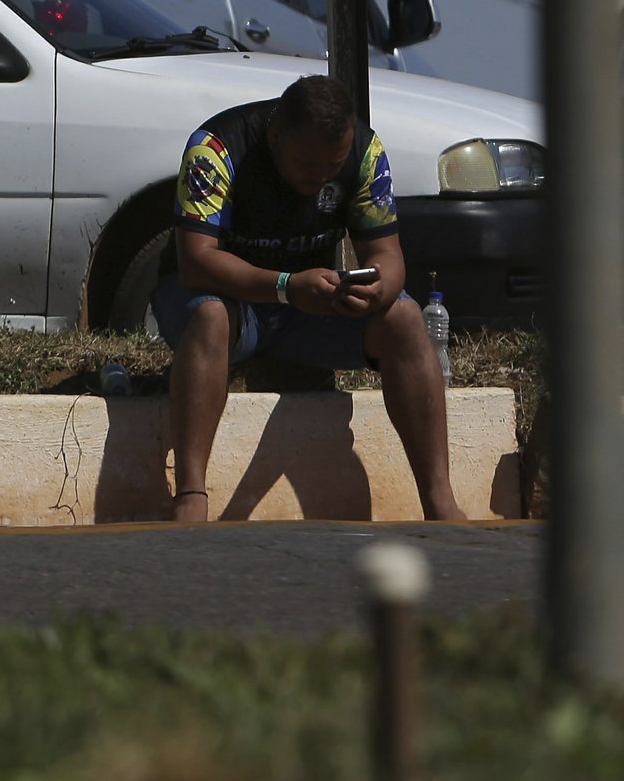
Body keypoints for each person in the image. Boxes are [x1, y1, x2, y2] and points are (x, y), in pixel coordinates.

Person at [157, 75, 465, 523]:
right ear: (276, 136)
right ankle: (191, 495)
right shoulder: (216, 148)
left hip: (308, 306)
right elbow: (196, 262)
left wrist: (379, 286)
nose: (321, 176)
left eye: (332, 165)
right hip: (220, 300)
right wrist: (286, 285)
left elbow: (389, 257)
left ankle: (440, 500)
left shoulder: (365, 152)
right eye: (307, 164)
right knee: (210, 317)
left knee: (404, 317)